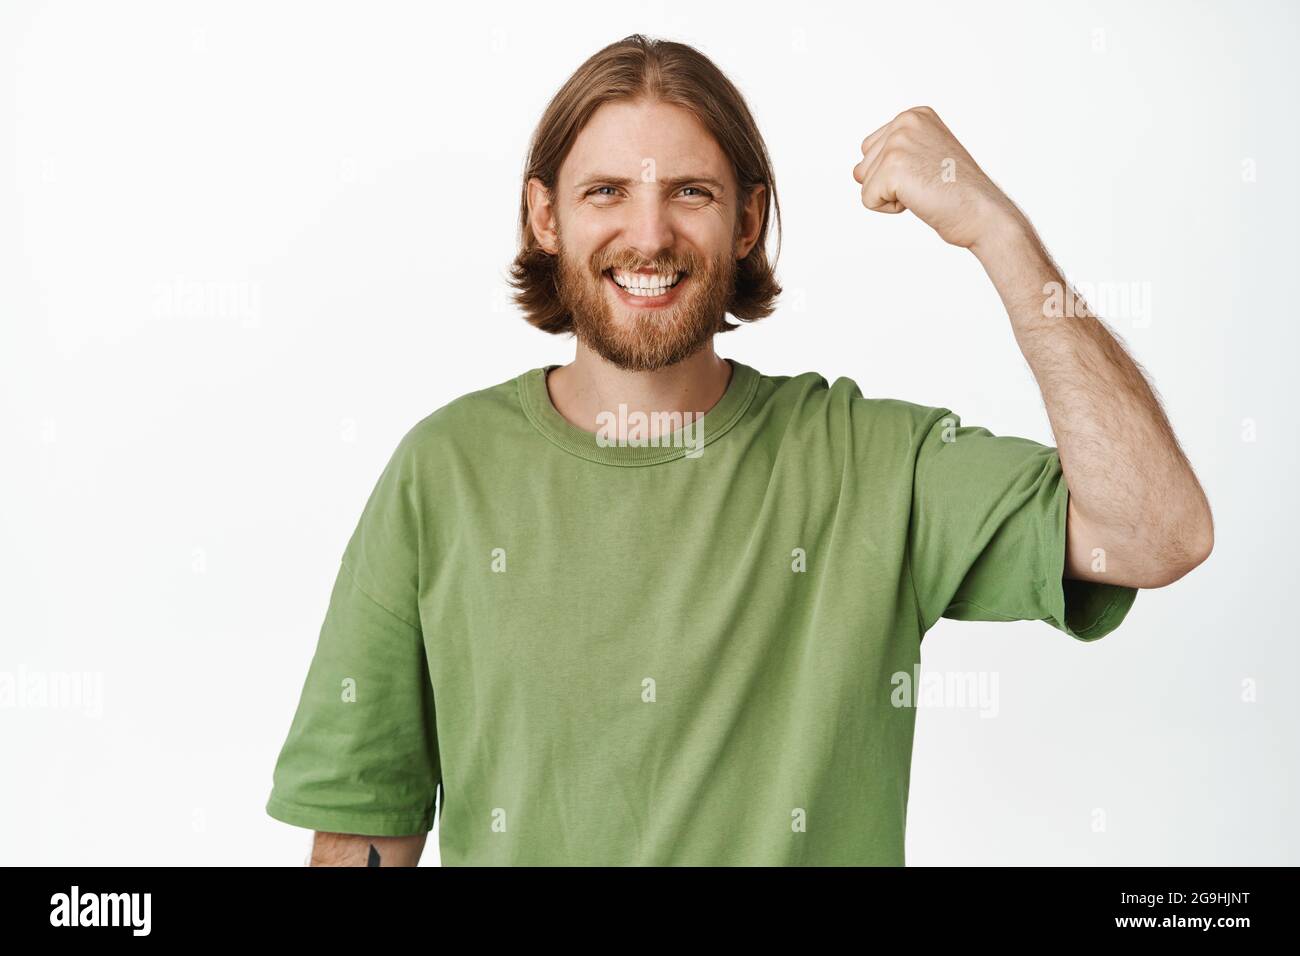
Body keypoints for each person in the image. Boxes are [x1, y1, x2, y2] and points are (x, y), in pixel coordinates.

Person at [266, 34, 1213, 866]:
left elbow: (1156, 532)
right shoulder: (443, 473)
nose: (648, 234)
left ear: (747, 222)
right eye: (605, 192)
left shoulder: (873, 463)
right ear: (546, 218)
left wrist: (997, 233)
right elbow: (365, 824)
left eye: (689, 191)